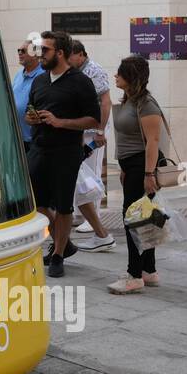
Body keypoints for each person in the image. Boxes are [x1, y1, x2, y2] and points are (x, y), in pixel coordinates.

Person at [24, 30, 101, 278]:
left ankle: (57, 254)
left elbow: (93, 118)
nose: (40, 54)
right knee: (36, 204)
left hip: (66, 152)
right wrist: (31, 117)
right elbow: (31, 108)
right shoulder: (40, 80)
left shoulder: (80, 81)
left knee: (64, 205)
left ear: (60, 52)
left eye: (44, 50)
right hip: (38, 148)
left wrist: (60, 122)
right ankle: (64, 242)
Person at [108, 55, 164, 294]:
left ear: (130, 77)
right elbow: (127, 138)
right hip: (131, 165)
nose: (115, 76)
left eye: (119, 73)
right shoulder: (129, 101)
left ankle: (133, 274)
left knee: (133, 217)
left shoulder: (146, 104)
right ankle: (148, 271)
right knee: (143, 216)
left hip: (143, 165)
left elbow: (152, 141)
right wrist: (123, 167)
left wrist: (148, 174)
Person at [68, 40, 115, 251]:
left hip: (94, 129)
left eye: (70, 56)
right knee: (80, 172)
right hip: (79, 129)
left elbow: (105, 102)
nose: (68, 61)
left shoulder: (95, 71)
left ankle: (93, 217)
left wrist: (100, 130)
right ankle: (80, 212)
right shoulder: (74, 72)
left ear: (80, 54)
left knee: (93, 173)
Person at [11, 35, 45, 153]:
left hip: (34, 141)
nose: (20, 53)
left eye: (23, 51)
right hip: (17, 139)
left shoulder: (43, 76)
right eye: (18, 50)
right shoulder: (19, 75)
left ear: (35, 54)